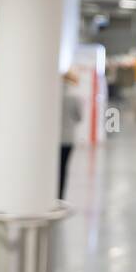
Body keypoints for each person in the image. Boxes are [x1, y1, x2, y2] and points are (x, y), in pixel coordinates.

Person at [60, 72, 83, 200]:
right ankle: (60, 196)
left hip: (52, 140)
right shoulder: (74, 97)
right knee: (63, 168)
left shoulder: (51, 94)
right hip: (68, 138)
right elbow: (79, 117)